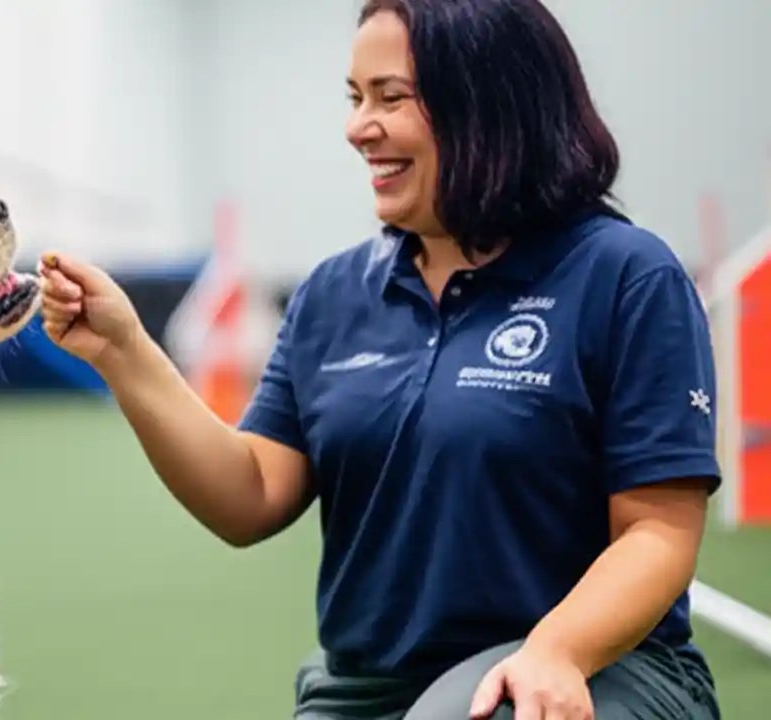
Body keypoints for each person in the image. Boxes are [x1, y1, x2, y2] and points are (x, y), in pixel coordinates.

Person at [36, 0, 722, 717]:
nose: (359, 127)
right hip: (368, 691)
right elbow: (250, 496)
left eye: (391, 97)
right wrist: (123, 351)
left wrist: (558, 650)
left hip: (594, 669)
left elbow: (658, 531)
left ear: (491, 101)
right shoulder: (332, 295)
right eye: (356, 98)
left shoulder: (625, 275)